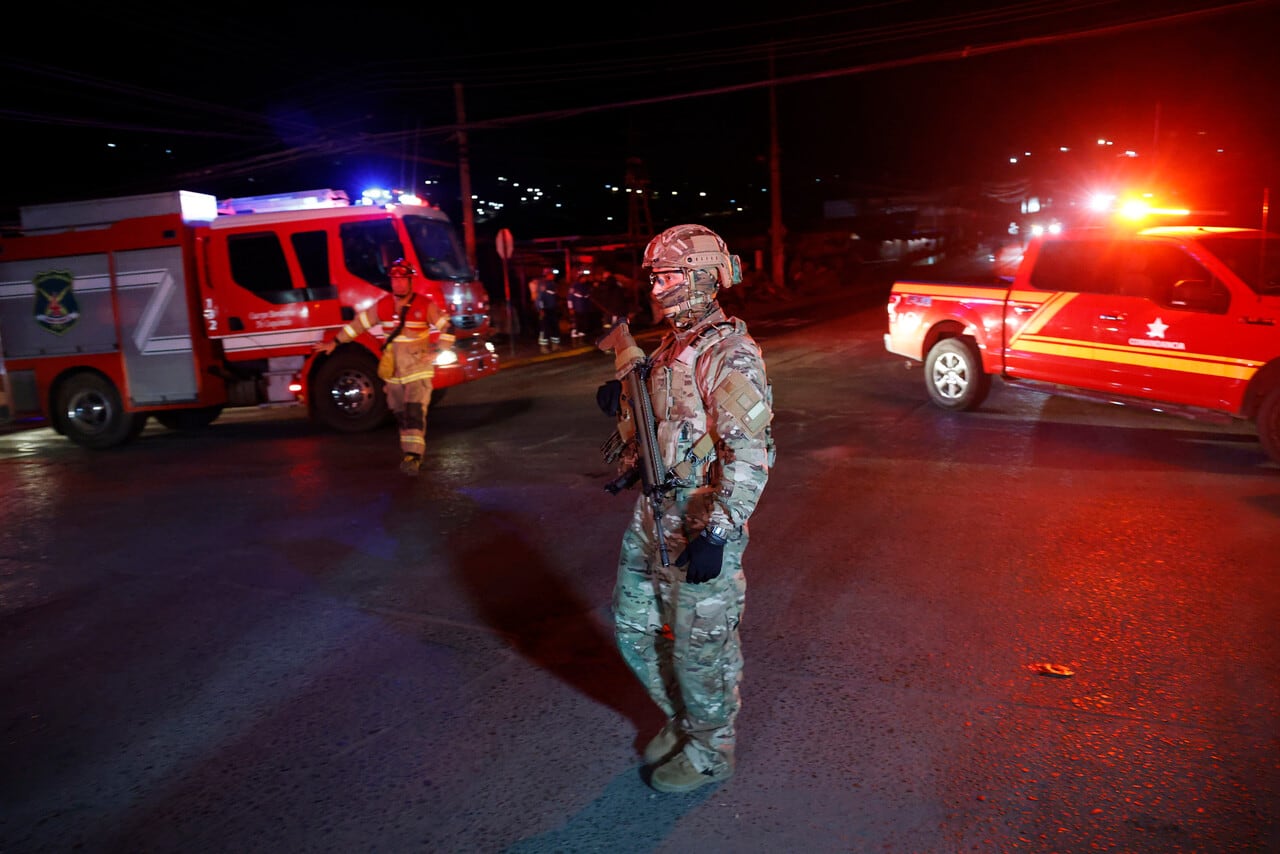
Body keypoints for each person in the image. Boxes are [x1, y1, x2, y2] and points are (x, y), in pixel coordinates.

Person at [596, 224, 775, 794]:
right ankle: (685, 722)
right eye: (655, 276)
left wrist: (719, 532)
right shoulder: (671, 347)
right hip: (655, 517)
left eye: (670, 274)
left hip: (701, 523)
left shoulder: (730, 353)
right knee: (634, 626)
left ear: (702, 276)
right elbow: (667, 432)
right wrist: (625, 420)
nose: (658, 286)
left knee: (702, 649)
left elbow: (751, 453)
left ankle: (710, 749)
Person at [316, 258, 453, 476]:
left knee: (414, 411)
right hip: (394, 373)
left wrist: (436, 352)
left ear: (410, 281)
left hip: (418, 370)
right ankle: (409, 452)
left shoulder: (424, 305)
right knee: (401, 414)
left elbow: (448, 327)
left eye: (402, 280)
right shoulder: (384, 306)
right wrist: (336, 342)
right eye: (394, 280)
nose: (397, 284)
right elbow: (358, 325)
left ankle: (413, 456)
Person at [567, 268, 599, 340]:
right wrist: (570, 308)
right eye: (583, 278)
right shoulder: (574, 286)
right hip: (577, 308)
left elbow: (588, 297)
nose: (585, 279)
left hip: (585, 308)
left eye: (586, 278)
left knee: (583, 323)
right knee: (576, 322)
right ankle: (574, 337)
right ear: (580, 278)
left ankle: (581, 337)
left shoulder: (586, 286)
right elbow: (570, 298)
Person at [532, 267, 561, 345]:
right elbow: (539, 299)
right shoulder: (542, 284)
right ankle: (544, 346)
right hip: (545, 310)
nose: (553, 276)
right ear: (546, 275)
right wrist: (541, 309)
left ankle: (555, 345)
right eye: (551, 274)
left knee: (555, 327)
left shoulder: (553, 284)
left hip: (553, 309)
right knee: (545, 328)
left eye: (553, 274)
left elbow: (555, 297)